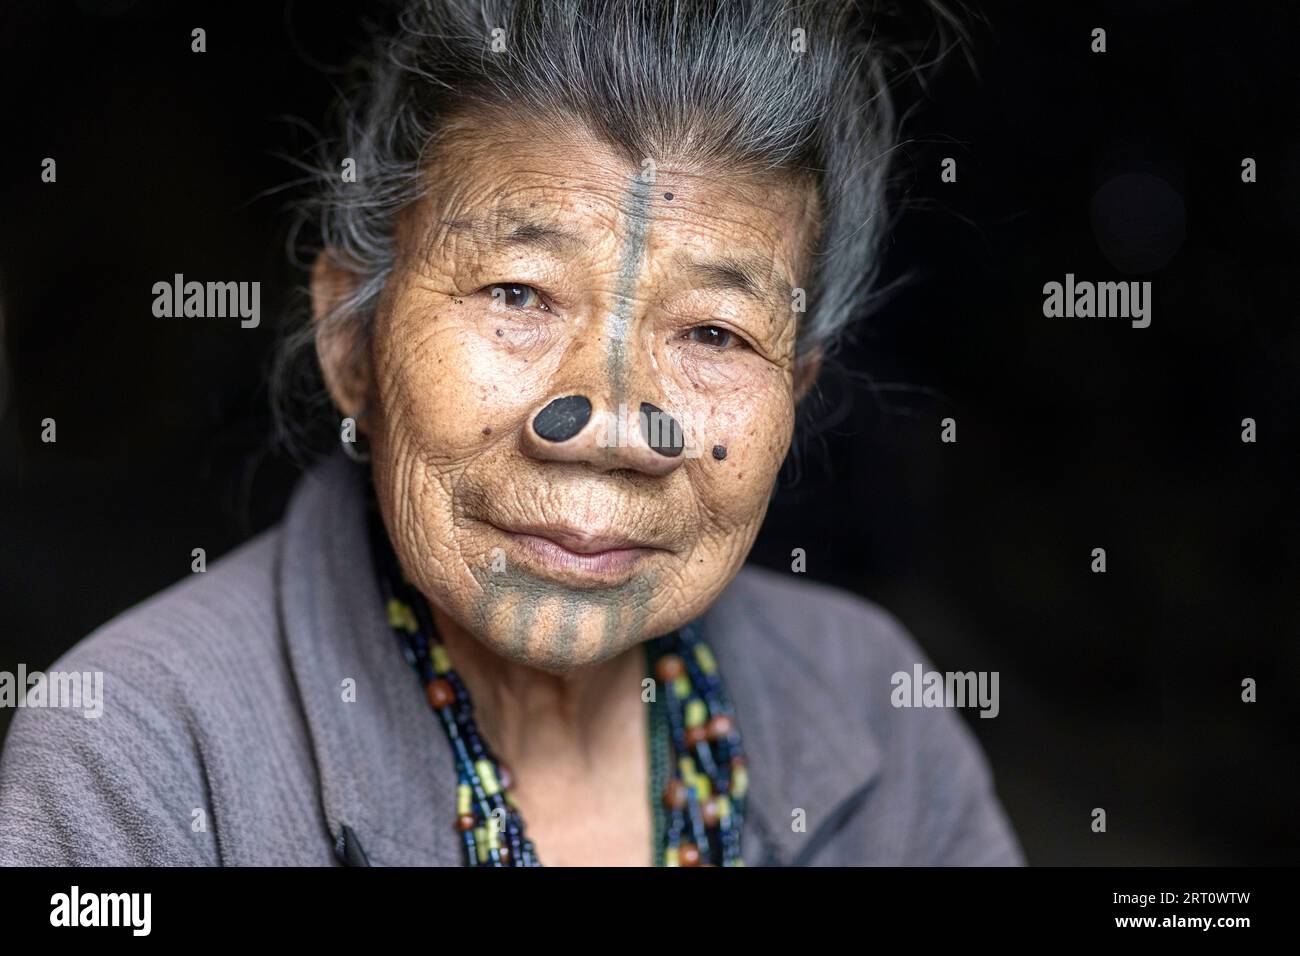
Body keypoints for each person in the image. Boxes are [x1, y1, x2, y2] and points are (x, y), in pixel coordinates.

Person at [0, 0, 1022, 866]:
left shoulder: (869, 699)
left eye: (715, 330)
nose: (611, 425)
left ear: (793, 388)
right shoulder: (141, 752)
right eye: (519, 293)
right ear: (351, 339)